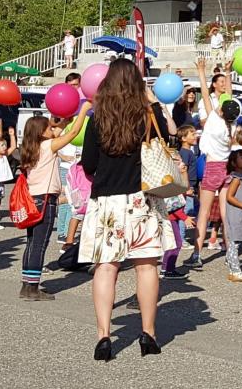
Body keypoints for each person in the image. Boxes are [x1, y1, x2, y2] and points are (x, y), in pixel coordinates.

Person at [78, 59, 175, 361]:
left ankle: (104, 336)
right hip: (143, 199)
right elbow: (165, 144)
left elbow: (89, 164)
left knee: (107, 268)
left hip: (108, 200)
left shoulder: (98, 118)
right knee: (147, 267)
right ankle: (148, 333)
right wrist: (154, 101)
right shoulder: (149, 115)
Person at [17, 111, 85, 299]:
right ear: (41, 132)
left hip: (32, 200)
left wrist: (64, 121)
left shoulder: (30, 147)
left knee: (31, 243)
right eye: (49, 127)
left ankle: (26, 284)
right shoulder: (48, 146)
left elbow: (61, 131)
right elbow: (73, 134)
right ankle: (32, 288)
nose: (52, 129)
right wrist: (85, 109)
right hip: (45, 200)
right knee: (40, 244)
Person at [191, 58, 240, 267]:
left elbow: (204, 91)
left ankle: (196, 254)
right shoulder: (232, 124)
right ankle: (231, 254)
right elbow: (230, 98)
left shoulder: (213, 120)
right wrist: (228, 73)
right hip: (227, 167)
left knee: (203, 212)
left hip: (211, 167)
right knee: (226, 213)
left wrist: (201, 71)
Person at [220, 149, 242, 283]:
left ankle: (232, 268)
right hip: (237, 213)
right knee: (234, 242)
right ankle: (235, 270)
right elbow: (229, 197)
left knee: (237, 242)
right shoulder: (236, 179)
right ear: (234, 162)